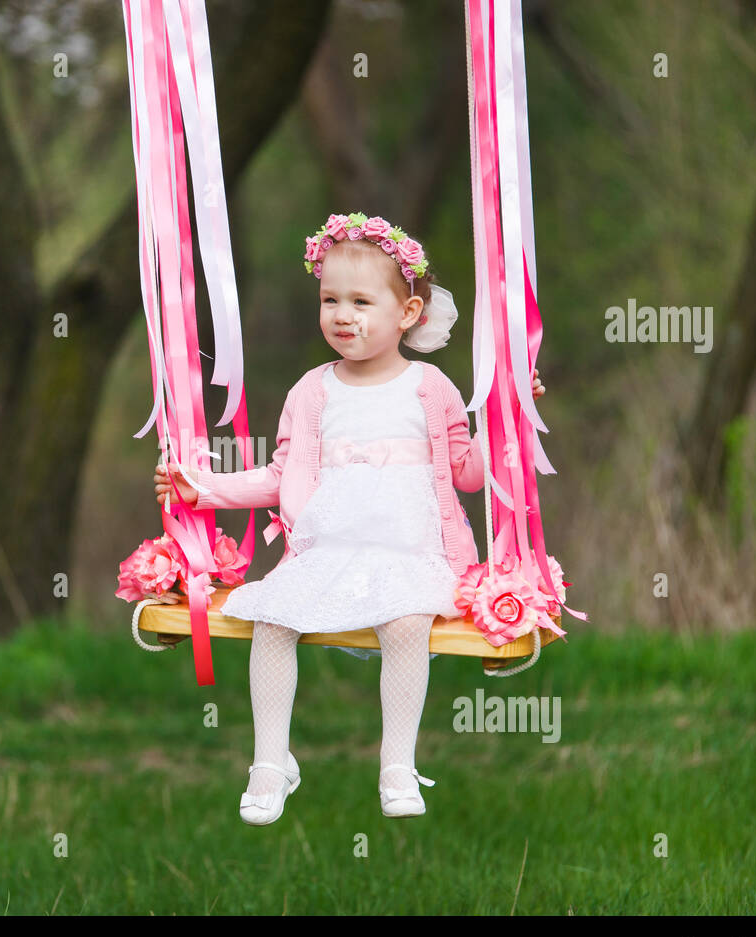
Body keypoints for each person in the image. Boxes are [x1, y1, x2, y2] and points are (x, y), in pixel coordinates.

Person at [153, 212, 545, 825]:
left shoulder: (431, 387)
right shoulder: (313, 391)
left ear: (407, 312)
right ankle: (269, 762)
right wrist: (201, 488)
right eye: (330, 299)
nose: (342, 314)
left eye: (361, 301)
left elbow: (470, 473)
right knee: (272, 621)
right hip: (328, 553)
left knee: (408, 623)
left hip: (412, 554)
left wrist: (508, 420)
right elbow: (280, 476)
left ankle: (396, 763)